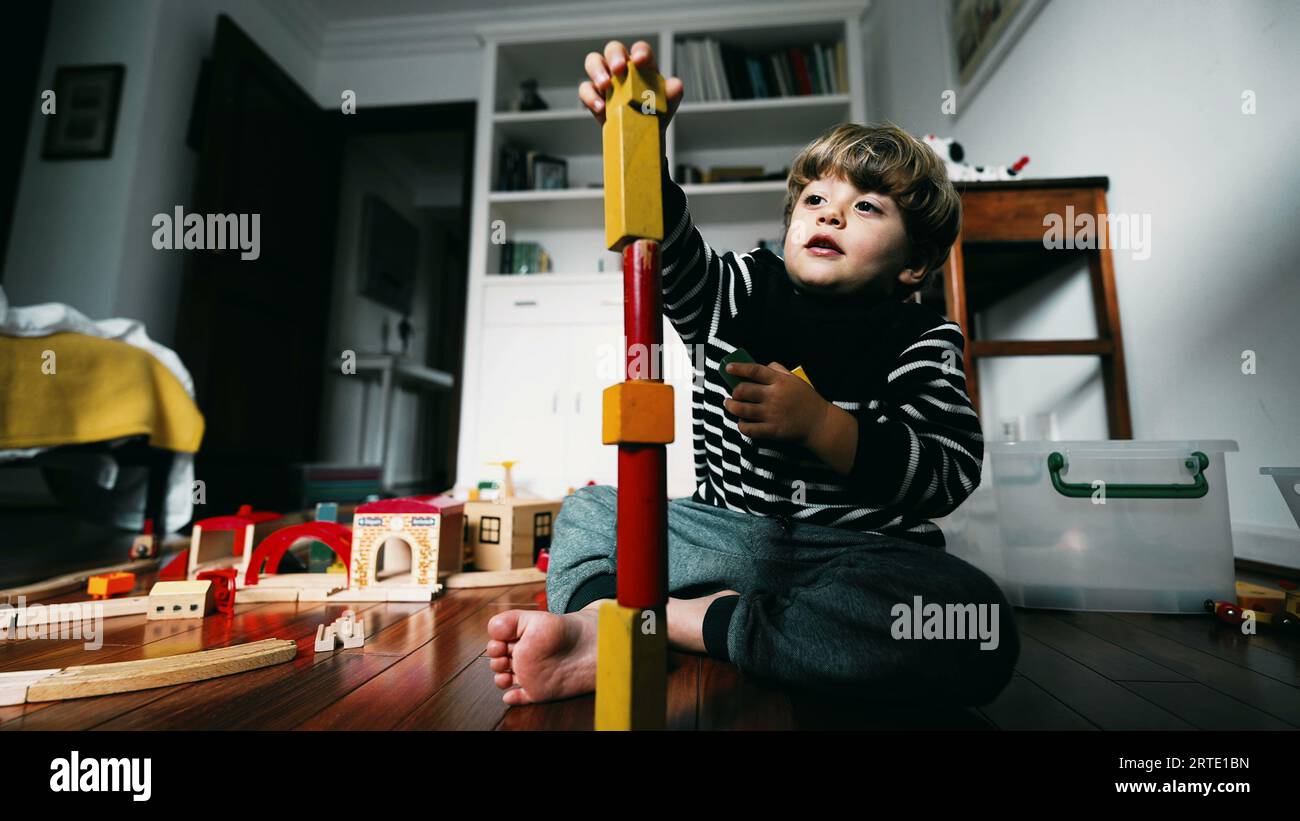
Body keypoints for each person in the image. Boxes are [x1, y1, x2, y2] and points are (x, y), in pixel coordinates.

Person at [485, 39, 1018, 707]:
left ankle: (684, 622)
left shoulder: (921, 337)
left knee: (975, 623)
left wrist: (825, 424)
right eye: (816, 198)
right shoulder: (737, 287)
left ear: (915, 262)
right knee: (591, 512)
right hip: (723, 536)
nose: (830, 212)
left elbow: (947, 472)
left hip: (853, 554)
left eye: (868, 207)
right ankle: (598, 627)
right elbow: (668, 244)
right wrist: (639, 140)